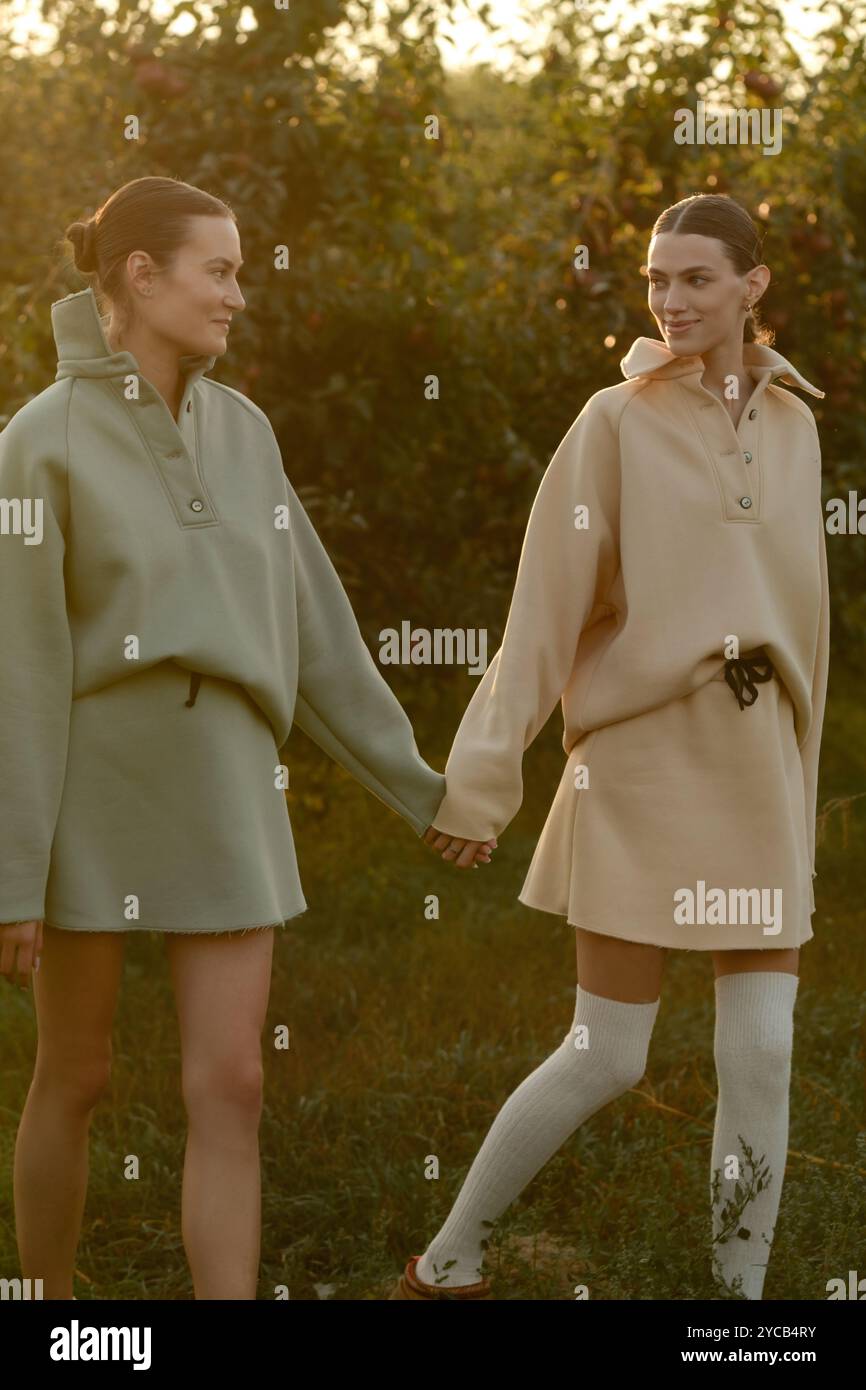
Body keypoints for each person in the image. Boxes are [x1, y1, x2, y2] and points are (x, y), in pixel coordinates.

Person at [0, 175, 495, 1300]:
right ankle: (50, 1307)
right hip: (88, 795)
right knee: (74, 1075)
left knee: (232, 1084)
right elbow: (18, 675)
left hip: (227, 785)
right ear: (141, 275)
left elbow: (317, 629)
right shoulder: (36, 443)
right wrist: (14, 873)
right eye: (218, 271)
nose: (237, 295)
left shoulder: (247, 433)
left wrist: (424, 793)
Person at [393, 192, 830, 1301]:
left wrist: (800, 784)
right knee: (608, 1053)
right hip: (639, 764)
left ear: (752, 285)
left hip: (756, 765)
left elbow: (809, 632)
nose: (670, 301)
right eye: (655, 280)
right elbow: (540, 615)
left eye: (696, 278)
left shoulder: (795, 426)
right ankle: (447, 1262)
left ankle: (736, 1307)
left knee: (764, 1050)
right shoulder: (613, 421)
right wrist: (481, 781)